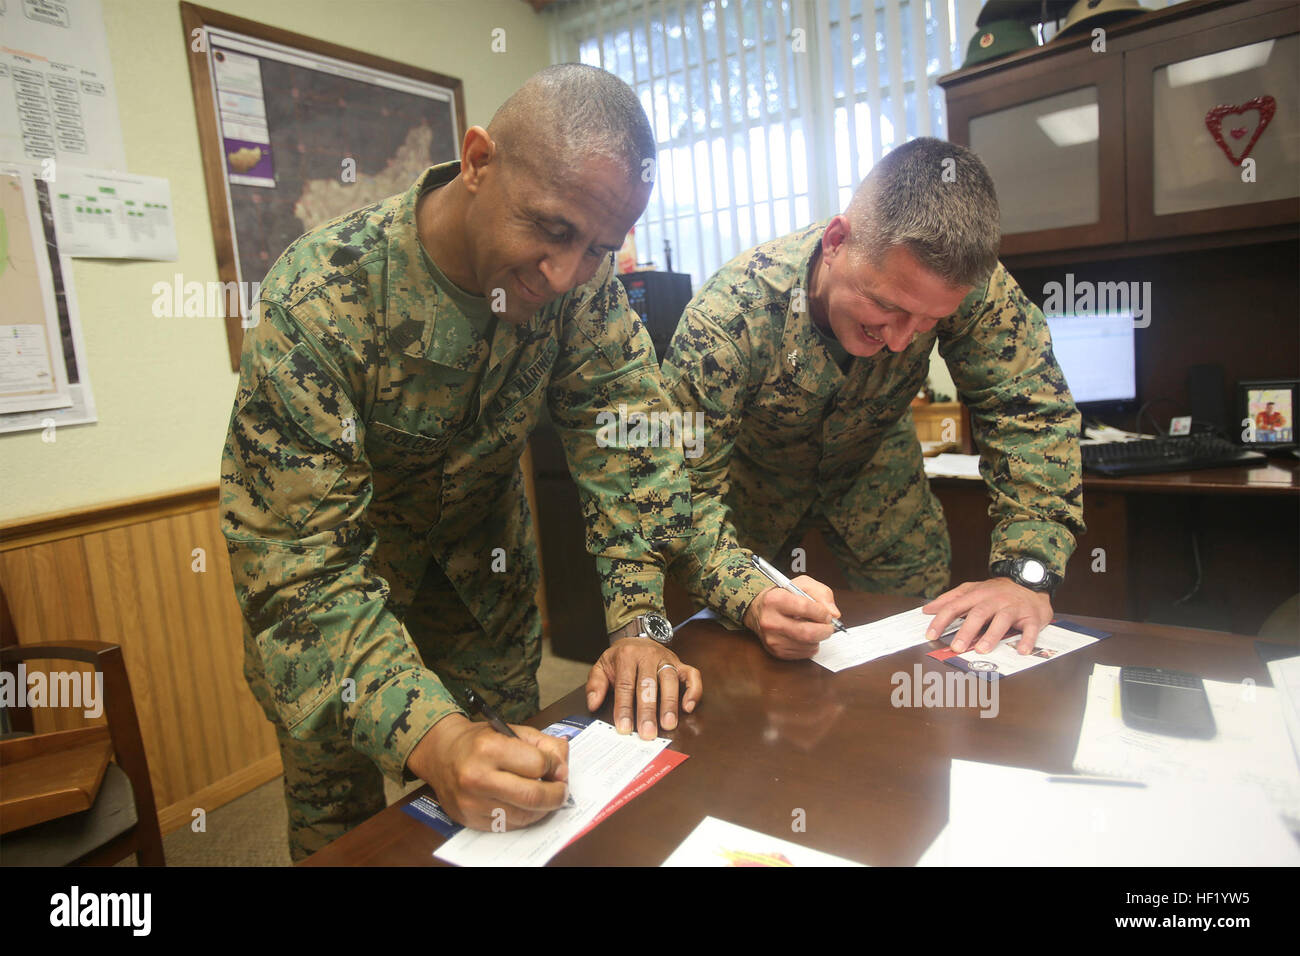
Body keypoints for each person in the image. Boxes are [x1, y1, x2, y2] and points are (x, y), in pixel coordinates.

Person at [221, 65, 704, 861]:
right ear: (478, 162)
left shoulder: (582, 283)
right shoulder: (321, 299)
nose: (564, 275)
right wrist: (433, 739)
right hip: (333, 628)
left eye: (598, 248)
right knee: (347, 841)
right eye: (550, 231)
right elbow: (296, 568)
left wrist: (641, 621)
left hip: (483, 596)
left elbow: (631, 447)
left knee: (518, 815)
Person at [662, 137, 1085, 661]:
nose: (904, 342)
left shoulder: (967, 281)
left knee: (924, 637)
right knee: (731, 655)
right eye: (886, 308)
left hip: (876, 470)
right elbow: (680, 491)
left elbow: (1029, 409)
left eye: (930, 322)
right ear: (837, 242)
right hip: (749, 489)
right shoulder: (728, 320)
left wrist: (1027, 571)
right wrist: (747, 596)